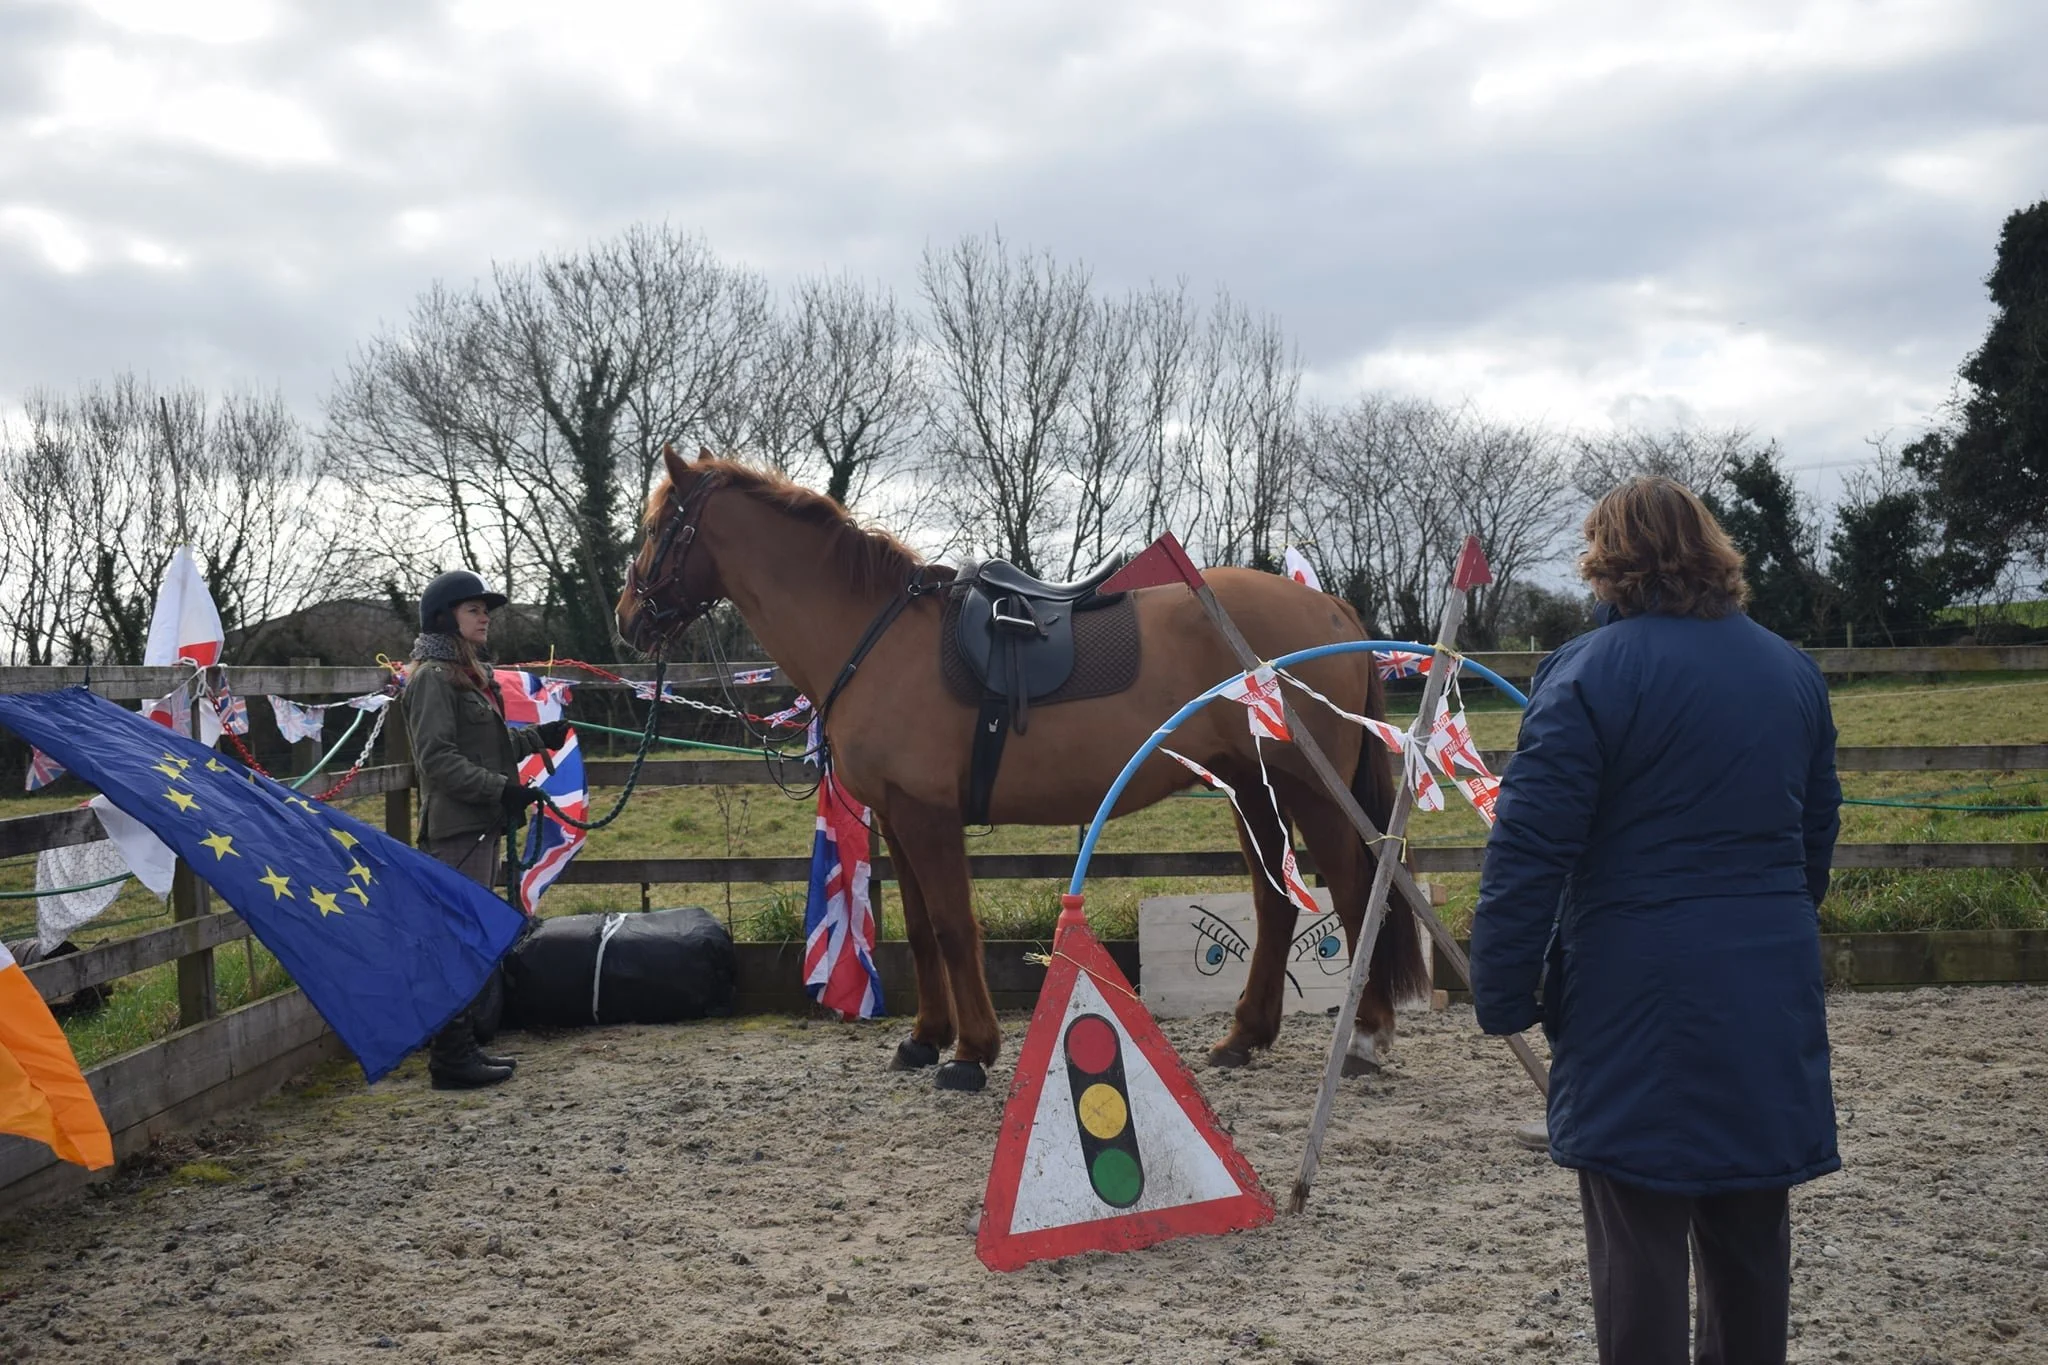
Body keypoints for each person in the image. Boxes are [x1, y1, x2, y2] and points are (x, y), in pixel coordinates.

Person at [1468, 477, 1841, 1365]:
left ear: (1608, 560)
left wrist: (1502, 985)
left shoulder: (1588, 674)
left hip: (1635, 995)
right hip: (1767, 989)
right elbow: (1813, 840)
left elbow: (1529, 848)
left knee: (1637, 1242)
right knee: (1752, 1240)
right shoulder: (1792, 670)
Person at [401, 569, 568, 1090]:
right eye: (473, 609)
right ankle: (451, 1055)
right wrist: (502, 789)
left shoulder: (468, 674)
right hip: (456, 831)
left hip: (480, 825)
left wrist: (537, 738)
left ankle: (460, 1045)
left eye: (484, 609)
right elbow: (438, 761)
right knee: (457, 940)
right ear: (445, 617)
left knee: (468, 936)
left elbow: (482, 745)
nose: (485, 616)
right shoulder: (431, 677)